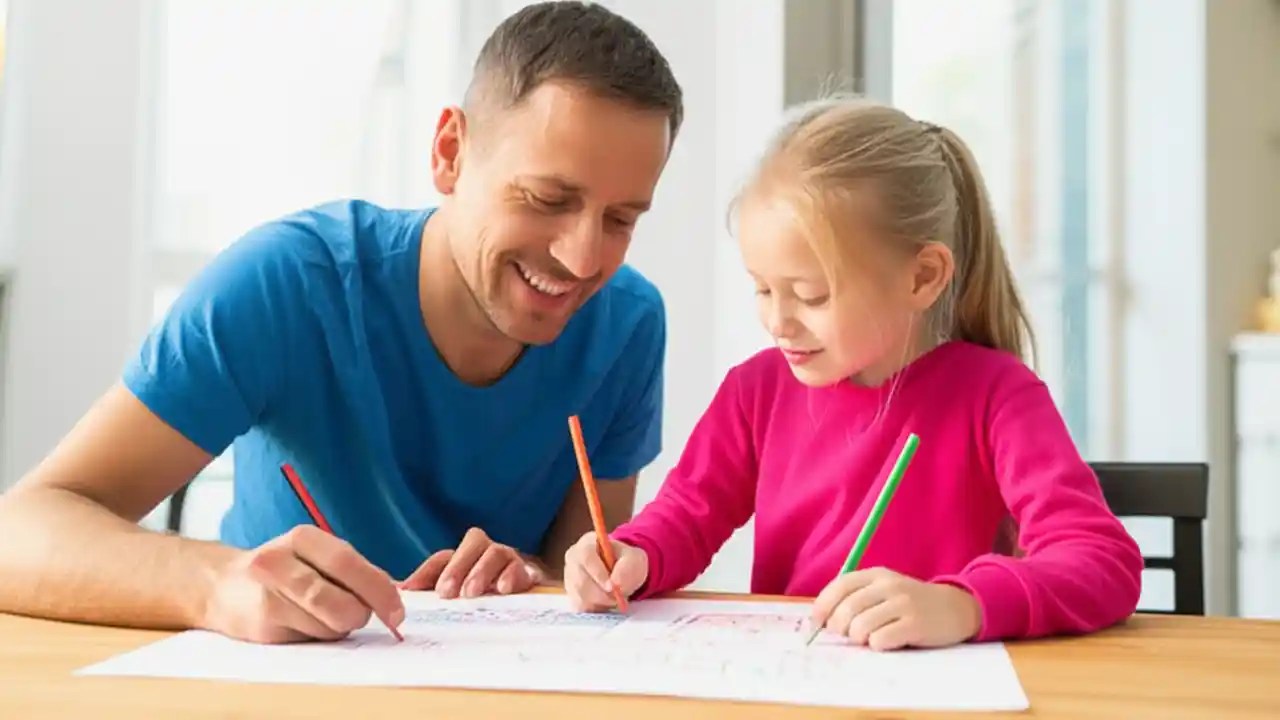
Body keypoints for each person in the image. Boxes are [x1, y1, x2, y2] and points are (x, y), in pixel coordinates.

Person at [0, 1, 682, 644]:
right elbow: (19, 533)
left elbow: (584, 578)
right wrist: (214, 584)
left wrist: (535, 576)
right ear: (449, 152)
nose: (584, 258)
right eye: (546, 198)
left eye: (622, 219)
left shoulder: (629, 324)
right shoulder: (288, 283)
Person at [564, 97, 1143, 651]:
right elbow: (686, 517)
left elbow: (1100, 560)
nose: (778, 321)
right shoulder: (755, 392)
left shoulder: (997, 396)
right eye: (763, 289)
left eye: (811, 295)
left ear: (922, 277)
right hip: (798, 679)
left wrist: (960, 605)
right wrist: (633, 554)